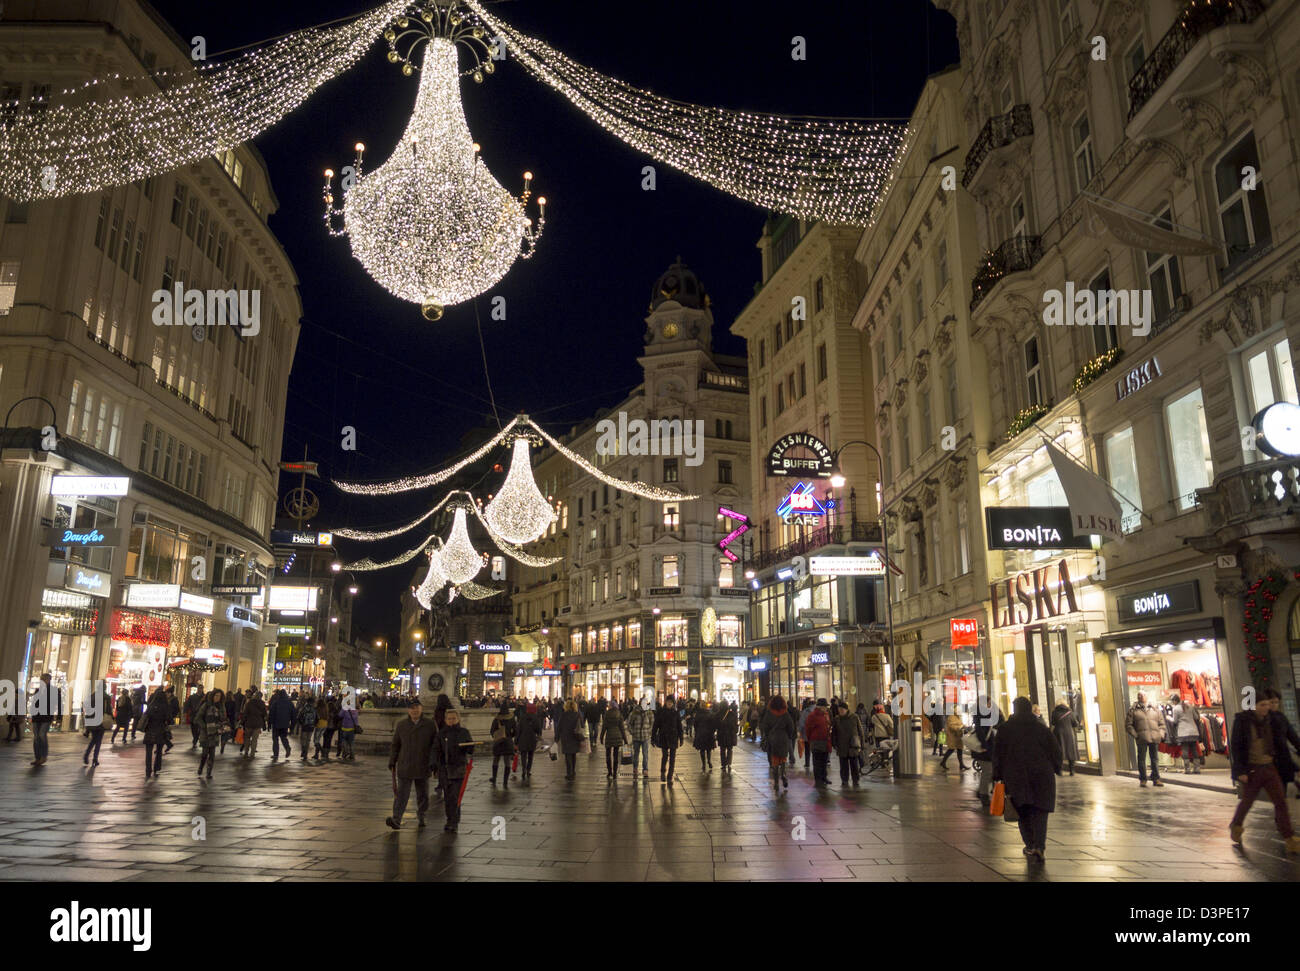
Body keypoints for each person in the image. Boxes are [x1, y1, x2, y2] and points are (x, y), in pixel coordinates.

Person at [1229, 688, 1300, 851]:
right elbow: (1237, 747)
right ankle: (1236, 825)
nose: (1266, 708)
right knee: (1247, 801)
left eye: (1268, 704)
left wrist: (1292, 766)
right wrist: (1240, 771)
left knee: (1280, 802)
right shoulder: (1242, 722)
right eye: (1262, 705)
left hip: (1269, 767)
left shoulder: (1272, 720)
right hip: (1252, 769)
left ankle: (1289, 838)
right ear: (1253, 706)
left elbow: (1284, 742)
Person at [993, 697, 1063, 861]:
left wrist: (997, 775)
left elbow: (998, 754)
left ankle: (1030, 844)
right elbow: (1055, 750)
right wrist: (1056, 767)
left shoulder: (1006, 729)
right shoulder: (1040, 728)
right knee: (1040, 811)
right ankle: (1039, 845)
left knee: (1022, 810)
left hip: (1016, 776)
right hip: (1042, 775)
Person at [386, 698, 438, 830]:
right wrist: (392, 760)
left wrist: (434, 762)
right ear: (408, 710)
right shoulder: (402, 724)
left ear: (421, 708)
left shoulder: (430, 724)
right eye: (412, 708)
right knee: (401, 794)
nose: (415, 710)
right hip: (405, 764)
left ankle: (422, 815)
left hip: (423, 763)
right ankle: (396, 818)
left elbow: (435, 745)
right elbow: (395, 744)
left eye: (417, 707)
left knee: (423, 794)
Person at [433, 708, 474, 833]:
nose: (451, 721)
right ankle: (449, 819)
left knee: (455, 796)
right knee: (447, 796)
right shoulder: (441, 733)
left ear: (458, 719)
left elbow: (470, 749)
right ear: (445, 720)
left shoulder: (463, 732)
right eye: (449, 719)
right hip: (445, 769)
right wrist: (434, 764)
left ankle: (454, 821)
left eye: (453, 718)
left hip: (458, 768)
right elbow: (436, 749)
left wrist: (469, 747)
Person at [1125, 692, 1165, 788]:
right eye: (1139, 695)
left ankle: (1156, 778)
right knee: (1141, 759)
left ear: (1147, 696)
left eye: (1143, 695)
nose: (1141, 696)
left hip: (1154, 737)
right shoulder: (1133, 710)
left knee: (1154, 759)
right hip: (1142, 737)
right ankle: (1143, 779)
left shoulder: (1155, 709)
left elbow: (1162, 723)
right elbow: (1128, 725)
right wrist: (1136, 735)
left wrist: (1161, 734)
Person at [760, 695, 797, 794]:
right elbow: (791, 726)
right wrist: (788, 735)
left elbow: (765, 726)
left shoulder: (769, 713)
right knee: (783, 758)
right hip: (783, 739)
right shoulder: (785, 713)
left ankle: (776, 782)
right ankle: (783, 774)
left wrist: (767, 735)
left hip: (773, 739)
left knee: (775, 760)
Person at [970, 697, 1002, 806]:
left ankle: (981, 791)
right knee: (988, 771)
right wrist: (984, 745)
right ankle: (983, 795)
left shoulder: (986, 713)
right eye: (989, 703)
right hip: (984, 747)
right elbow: (980, 730)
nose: (990, 704)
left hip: (987, 746)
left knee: (990, 771)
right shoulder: (980, 714)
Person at [139, 686, 172, 780]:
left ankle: (148, 770)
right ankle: (156, 768)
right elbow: (170, 720)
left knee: (148, 752)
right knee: (159, 751)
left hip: (150, 731)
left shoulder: (151, 707)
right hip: (161, 731)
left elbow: (146, 717)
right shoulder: (165, 707)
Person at [196, 689, 229, 780]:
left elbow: (223, 719)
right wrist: (205, 727)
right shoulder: (206, 705)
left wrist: (223, 725)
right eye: (216, 696)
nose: (217, 698)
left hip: (215, 733)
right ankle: (201, 766)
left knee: (212, 753)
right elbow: (198, 718)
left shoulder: (221, 707)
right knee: (205, 753)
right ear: (212, 696)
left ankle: (209, 772)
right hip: (206, 733)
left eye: (219, 696)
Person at [28, 673, 60, 766]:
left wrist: (58, 717)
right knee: (36, 737)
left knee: (42, 735)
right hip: (37, 716)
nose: (42, 681)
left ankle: (43, 756)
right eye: (41, 679)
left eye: (43, 679)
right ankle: (37, 757)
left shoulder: (54, 690)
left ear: (48, 680)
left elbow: (58, 703)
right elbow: (34, 703)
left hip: (46, 716)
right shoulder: (38, 690)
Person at [653, 693, 682, 785]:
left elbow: (679, 727)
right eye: (668, 702)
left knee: (673, 758)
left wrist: (681, 738)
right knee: (665, 756)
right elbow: (655, 725)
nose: (669, 704)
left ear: (673, 703)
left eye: (671, 702)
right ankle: (662, 772)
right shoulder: (661, 712)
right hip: (664, 736)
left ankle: (670, 775)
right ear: (665, 702)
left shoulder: (676, 713)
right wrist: (653, 737)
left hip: (673, 737)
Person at [832, 700, 863, 787]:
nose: (840, 711)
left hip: (853, 745)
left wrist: (862, 745)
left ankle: (855, 780)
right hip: (842, 746)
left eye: (842, 709)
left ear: (846, 709)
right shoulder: (836, 719)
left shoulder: (854, 717)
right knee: (843, 765)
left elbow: (860, 731)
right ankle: (844, 780)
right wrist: (834, 744)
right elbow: (834, 733)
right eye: (839, 709)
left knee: (854, 765)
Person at [1171, 692, 1202, 774]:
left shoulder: (1175, 709)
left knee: (1185, 750)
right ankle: (1197, 768)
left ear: (1174, 701)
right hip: (1193, 731)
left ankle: (1187, 769)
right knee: (1194, 750)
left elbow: (1175, 721)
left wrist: (1168, 718)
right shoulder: (1190, 706)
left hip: (1183, 732)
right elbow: (1196, 717)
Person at [82, 684, 112, 767]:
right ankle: (94, 758)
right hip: (100, 720)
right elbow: (109, 710)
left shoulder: (92, 696)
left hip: (91, 720)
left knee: (94, 739)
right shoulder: (106, 697)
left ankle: (87, 755)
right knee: (98, 740)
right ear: (105, 688)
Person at [805, 698, 833, 787]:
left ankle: (824, 777)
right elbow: (808, 729)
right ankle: (818, 780)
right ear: (820, 707)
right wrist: (811, 739)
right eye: (825, 707)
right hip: (816, 742)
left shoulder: (825, 715)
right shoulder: (812, 716)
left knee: (824, 761)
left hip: (825, 741)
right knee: (817, 762)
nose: (826, 708)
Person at [489, 704, 516, 787]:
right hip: (508, 741)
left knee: (496, 760)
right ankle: (505, 781)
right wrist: (510, 736)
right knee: (507, 762)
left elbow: (492, 731)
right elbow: (515, 730)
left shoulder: (497, 719)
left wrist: (496, 736)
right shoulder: (511, 719)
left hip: (498, 742)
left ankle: (494, 778)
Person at [626, 698, 653, 781]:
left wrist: (649, 731)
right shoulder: (634, 712)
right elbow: (629, 723)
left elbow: (652, 723)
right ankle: (635, 769)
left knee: (645, 754)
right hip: (636, 736)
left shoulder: (649, 712)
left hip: (645, 737)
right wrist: (632, 732)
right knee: (636, 754)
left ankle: (645, 770)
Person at [1050, 701, 1079, 776]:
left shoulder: (1054, 712)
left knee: (1059, 752)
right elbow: (1075, 723)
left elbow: (1053, 722)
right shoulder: (1070, 712)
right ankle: (1072, 770)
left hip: (1058, 733)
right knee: (1070, 751)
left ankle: (1059, 770)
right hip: (1069, 733)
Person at [556, 699, 583, 780]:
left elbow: (559, 727)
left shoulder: (564, 715)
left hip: (566, 737)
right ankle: (573, 771)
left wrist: (556, 738)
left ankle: (569, 773)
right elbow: (581, 724)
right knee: (573, 755)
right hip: (575, 737)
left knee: (568, 755)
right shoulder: (577, 714)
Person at [600, 700, 627, 780]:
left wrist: (601, 737)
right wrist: (625, 739)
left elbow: (604, 727)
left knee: (608, 755)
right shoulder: (619, 714)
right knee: (615, 756)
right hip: (618, 737)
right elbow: (622, 728)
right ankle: (615, 773)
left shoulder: (607, 714)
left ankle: (609, 772)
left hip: (609, 736)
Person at [268, 688, 295, 762]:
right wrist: (292, 725)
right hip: (285, 724)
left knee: (275, 739)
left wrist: (269, 723)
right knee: (283, 737)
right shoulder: (290, 703)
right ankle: (287, 748)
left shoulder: (276, 702)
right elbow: (293, 715)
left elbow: (271, 713)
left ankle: (276, 754)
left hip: (276, 724)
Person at [239, 688, 267, 759]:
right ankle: (252, 754)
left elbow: (245, 713)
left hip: (249, 723)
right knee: (255, 739)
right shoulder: (262, 704)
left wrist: (242, 721)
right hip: (257, 724)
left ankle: (246, 752)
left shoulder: (249, 703)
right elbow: (265, 714)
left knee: (247, 738)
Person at [693, 701, 717, 772]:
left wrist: (697, 731)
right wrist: (712, 731)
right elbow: (713, 724)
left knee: (702, 750)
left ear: (700, 706)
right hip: (709, 734)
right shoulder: (709, 713)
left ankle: (703, 764)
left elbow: (695, 724)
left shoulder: (698, 714)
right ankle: (709, 761)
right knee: (708, 749)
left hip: (701, 734)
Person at [716, 702, 738, 774]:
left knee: (722, 750)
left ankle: (723, 764)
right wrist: (735, 731)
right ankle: (729, 763)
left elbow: (716, 724)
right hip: (730, 734)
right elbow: (735, 724)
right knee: (729, 749)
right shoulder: (732, 714)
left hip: (722, 734)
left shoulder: (719, 714)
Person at [296, 692, 318, 762]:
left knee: (303, 740)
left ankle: (303, 751)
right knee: (308, 740)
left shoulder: (304, 708)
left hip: (304, 726)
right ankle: (306, 753)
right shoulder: (314, 709)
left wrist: (301, 723)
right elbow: (317, 718)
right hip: (311, 727)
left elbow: (299, 717)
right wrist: (314, 724)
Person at [798, 699, 814, 771]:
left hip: (807, 734)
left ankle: (807, 763)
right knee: (815, 750)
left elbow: (801, 723)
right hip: (816, 735)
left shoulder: (805, 711)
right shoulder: (819, 711)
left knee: (807, 749)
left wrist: (800, 732)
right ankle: (815, 763)